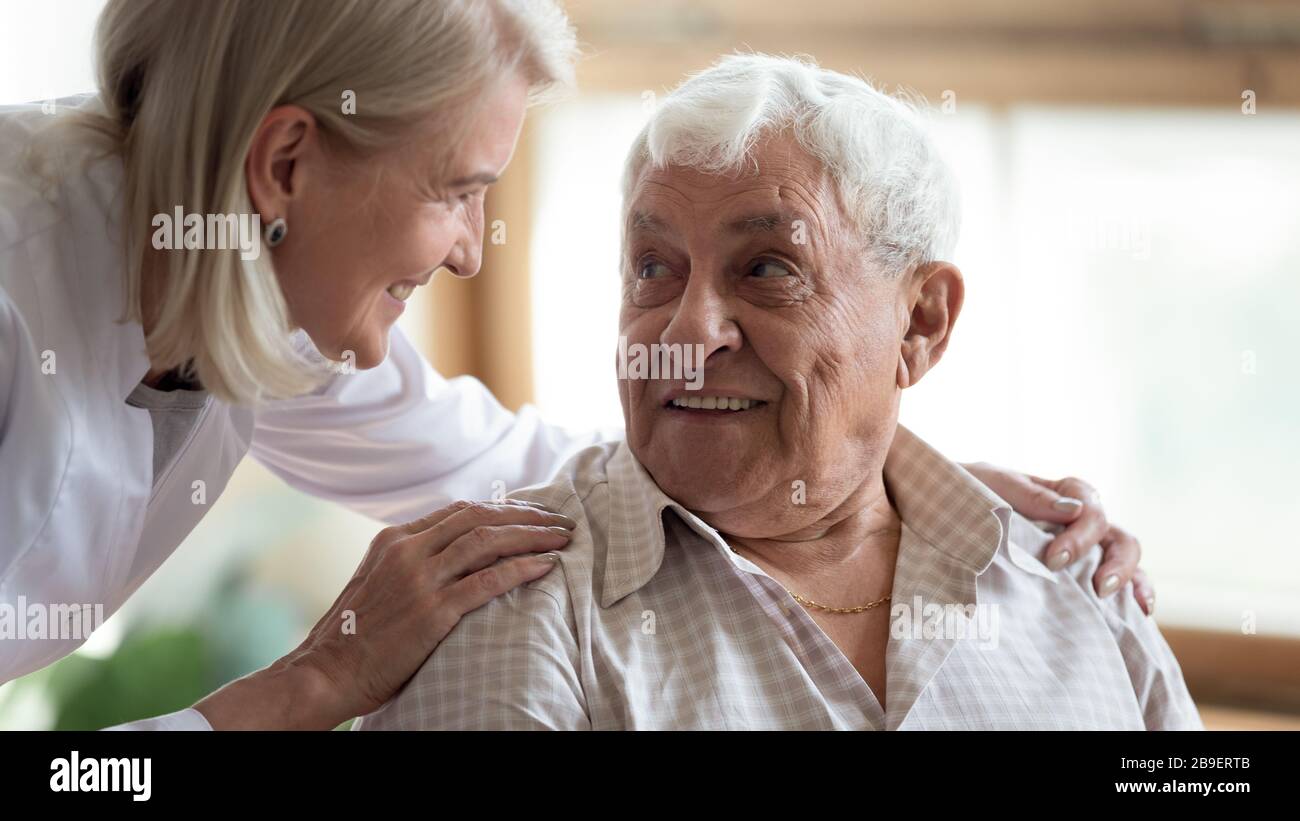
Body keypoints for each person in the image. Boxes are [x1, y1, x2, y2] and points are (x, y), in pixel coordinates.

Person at [1, 1, 1147, 731]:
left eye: (767, 270)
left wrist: (901, 482)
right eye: (456, 191)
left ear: (926, 321)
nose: (463, 252)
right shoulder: (21, 303)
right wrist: (294, 693)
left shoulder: (265, 307)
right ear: (287, 163)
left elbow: (547, 463)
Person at [357, 54, 1199, 730]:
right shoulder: (510, 607)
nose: (689, 334)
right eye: (654, 269)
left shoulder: (1073, 573)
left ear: (921, 325)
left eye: (766, 269)